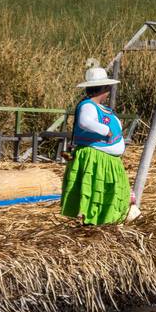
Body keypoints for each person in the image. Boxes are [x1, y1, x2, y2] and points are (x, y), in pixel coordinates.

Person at [61, 66, 131, 225]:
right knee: (95, 192)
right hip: (96, 159)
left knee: (111, 192)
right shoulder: (88, 105)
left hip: (108, 160)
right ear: (104, 89)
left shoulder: (103, 108)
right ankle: (93, 222)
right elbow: (85, 122)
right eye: (107, 88)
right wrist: (105, 130)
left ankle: (106, 221)